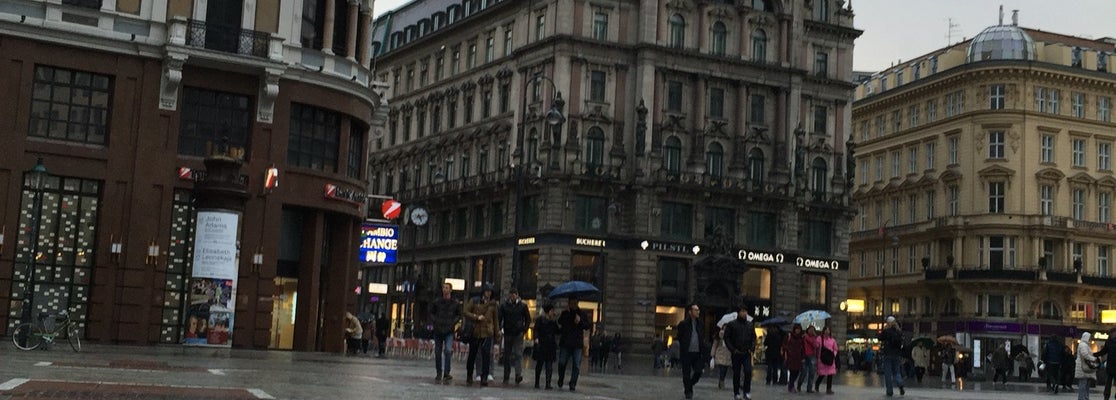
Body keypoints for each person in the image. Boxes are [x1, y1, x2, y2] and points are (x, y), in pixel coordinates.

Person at [463, 284, 499, 386]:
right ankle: (469, 375)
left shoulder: (493, 304)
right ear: (483, 291)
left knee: (486, 355)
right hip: (475, 332)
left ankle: (484, 377)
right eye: (487, 291)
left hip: (487, 333)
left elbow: (495, 319)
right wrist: (476, 317)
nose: (489, 293)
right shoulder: (475, 300)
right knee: (473, 355)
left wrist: (497, 333)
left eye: (490, 291)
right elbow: (465, 312)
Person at [556, 296, 591, 392]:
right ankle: (561, 378)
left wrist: (580, 322)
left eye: (575, 303)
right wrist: (567, 315)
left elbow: (587, 326)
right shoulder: (565, 313)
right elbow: (560, 322)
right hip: (566, 343)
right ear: (569, 304)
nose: (573, 305)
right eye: (571, 303)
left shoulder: (582, 314)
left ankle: (573, 383)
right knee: (562, 362)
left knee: (576, 365)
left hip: (577, 344)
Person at [724, 304, 757, 400]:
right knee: (737, 373)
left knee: (748, 372)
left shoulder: (750, 325)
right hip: (736, 352)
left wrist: (752, 348)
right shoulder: (732, 324)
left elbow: (753, 338)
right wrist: (733, 349)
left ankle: (746, 391)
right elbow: (727, 338)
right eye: (742, 311)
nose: (744, 313)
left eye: (745, 311)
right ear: (738, 313)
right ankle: (736, 392)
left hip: (746, 352)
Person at [430, 282, 461, 382]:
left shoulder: (455, 303)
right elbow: (431, 312)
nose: (445, 289)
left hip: (449, 330)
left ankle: (447, 372)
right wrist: (435, 321)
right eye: (443, 288)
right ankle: (439, 372)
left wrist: (453, 322)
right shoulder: (437, 302)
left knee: (448, 351)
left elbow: (458, 315)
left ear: (450, 290)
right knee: (438, 352)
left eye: (447, 288)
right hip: (438, 330)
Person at [499, 288, 530, 385]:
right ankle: (506, 376)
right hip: (508, 333)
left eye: (514, 294)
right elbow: (500, 318)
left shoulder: (523, 306)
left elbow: (527, 319)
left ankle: (518, 375)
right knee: (507, 356)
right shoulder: (504, 306)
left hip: (518, 333)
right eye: (511, 294)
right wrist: (500, 329)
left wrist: (524, 329)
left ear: (517, 295)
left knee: (518, 354)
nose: (513, 296)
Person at [675, 303, 706, 400]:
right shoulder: (683, 324)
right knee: (686, 373)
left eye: (698, 310)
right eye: (696, 310)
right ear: (690, 312)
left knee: (698, 372)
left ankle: (689, 385)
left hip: (697, 353)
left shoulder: (701, 324)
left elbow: (702, 337)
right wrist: (684, 347)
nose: (698, 312)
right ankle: (688, 392)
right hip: (687, 353)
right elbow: (679, 337)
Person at [532, 303, 559, 389]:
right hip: (542, 344)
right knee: (539, 364)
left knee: (549, 365)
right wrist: (536, 338)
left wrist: (556, 321)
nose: (553, 312)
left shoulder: (553, 321)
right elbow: (536, 330)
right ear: (548, 311)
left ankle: (548, 383)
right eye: (552, 311)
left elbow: (557, 331)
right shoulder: (540, 320)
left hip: (550, 345)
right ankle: (537, 382)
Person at [879, 316, 906, 397]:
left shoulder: (887, 331)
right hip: (897, 355)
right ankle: (900, 383)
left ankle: (889, 391)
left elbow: (880, 338)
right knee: (897, 372)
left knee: (888, 374)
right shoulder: (899, 332)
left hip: (888, 354)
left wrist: (885, 329)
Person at [1093, 327, 1116, 400]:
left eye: (1113, 333)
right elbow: (1104, 351)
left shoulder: (1109, 342)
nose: (1112, 334)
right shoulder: (1108, 342)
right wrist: (1094, 354)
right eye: (1111, 333)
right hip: (1110, 365)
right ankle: (1106, 396)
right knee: (1108, 383)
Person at [814, 325, 838, 395]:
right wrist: (816, 341)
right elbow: (816, 346)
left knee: (830, 374)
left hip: (830, 359)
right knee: (822, 374)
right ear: (823, 331)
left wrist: (834, 354)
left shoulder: (832, 340)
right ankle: (817, 384)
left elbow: (835, 349)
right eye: (826, 330)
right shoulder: (819, 338)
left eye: (828, 330)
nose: (827, 331)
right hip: (822, 359)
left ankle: (829, 389)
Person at [783, 324, 806, 394]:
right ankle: (791, 386)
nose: (798, 330)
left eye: (799, 329)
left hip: (798, 357)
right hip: (791, 357)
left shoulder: (801, 338)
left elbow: (803, 348)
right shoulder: (789, 336)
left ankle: (791, 384)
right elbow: (784, 344)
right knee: (792, 371)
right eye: (797, 329)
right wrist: (788, 349)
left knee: (797, 372)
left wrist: (803, 357)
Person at [1077, 332, 1099, 400]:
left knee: (1085, 384)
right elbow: (1085, 355)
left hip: (1084, 367)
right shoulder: (1083, 345)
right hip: (1083, 368)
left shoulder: (1084, 345)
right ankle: (1082, 398)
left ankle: (1084, 398)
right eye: (1089, 337)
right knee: (1083, 384)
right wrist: (1094, 359)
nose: (1090, 339)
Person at [800, 325, 819, 393]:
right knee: (804, 372)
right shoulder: (803, 337)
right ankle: (799, 384)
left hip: (812, 356)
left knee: (812, 373)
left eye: (813, 330)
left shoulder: (814, 338)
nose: (811, 331)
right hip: (805, 356)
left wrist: (814, 337)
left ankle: (809, 388)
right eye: (810, 329)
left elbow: (815, 345)